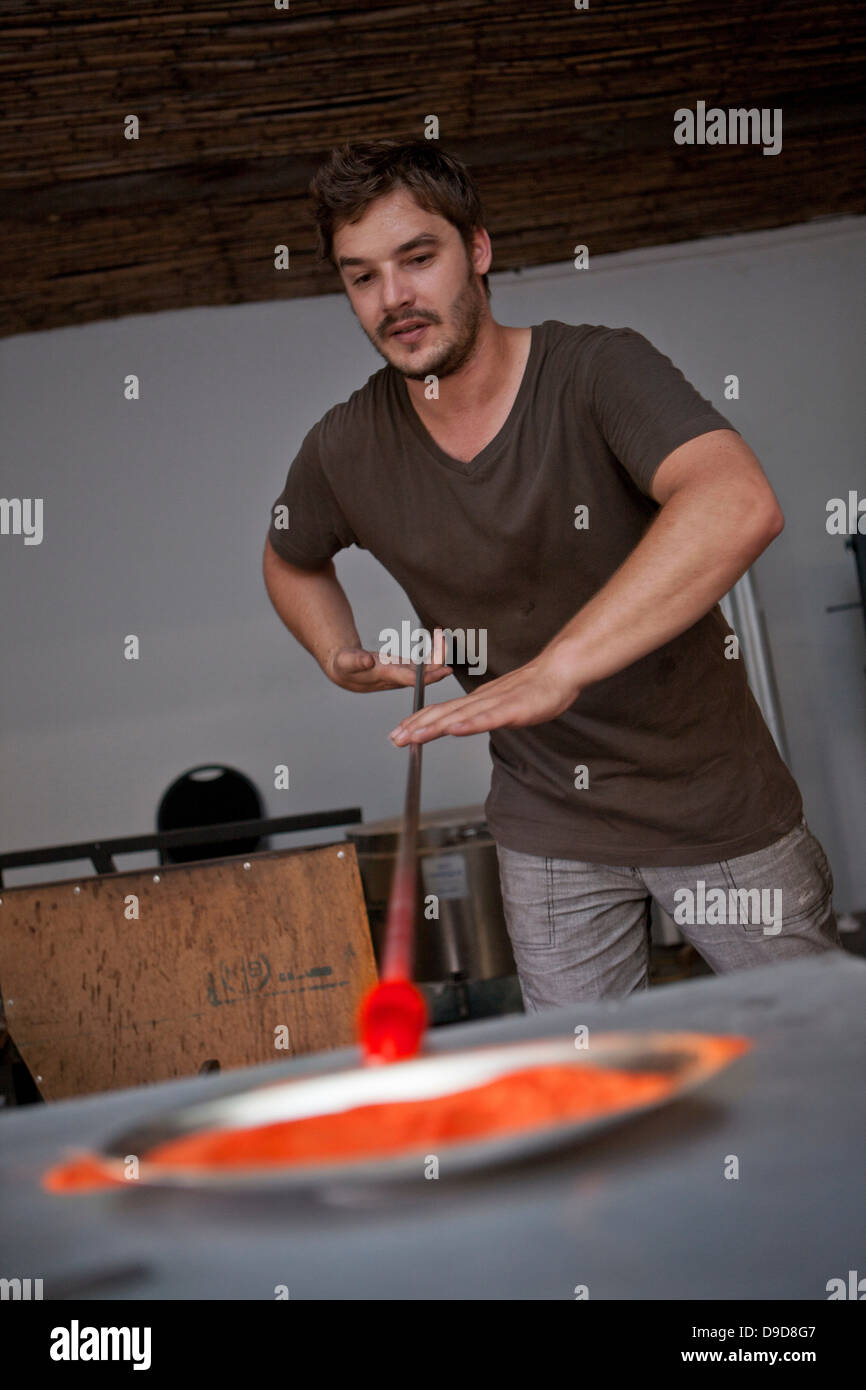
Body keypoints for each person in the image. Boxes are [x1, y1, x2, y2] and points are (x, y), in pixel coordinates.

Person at [263, 138, 841, 1008]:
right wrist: (336, 654)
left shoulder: (598, 369)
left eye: (418, 258)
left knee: (820, 1067)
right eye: (362, 276)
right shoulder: (345, 447)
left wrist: (558, 668)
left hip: (718, 810)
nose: (395, 299)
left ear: (479, 249)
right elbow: (286, 555)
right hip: (550, 829)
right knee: (576, 1099)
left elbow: (738, 500)